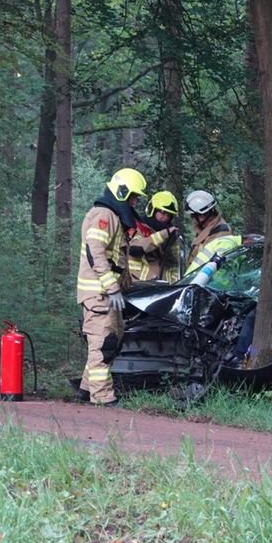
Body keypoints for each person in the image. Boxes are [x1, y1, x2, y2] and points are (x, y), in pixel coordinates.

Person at [77, 168, 147, 406]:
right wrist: (111, 287)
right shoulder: (103, 215)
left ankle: (87, 389)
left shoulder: (113, 216)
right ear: (122, 192)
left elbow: (115, 258)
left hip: (106, 293)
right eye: (133, 197)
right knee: (103, 344)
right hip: (99, 293)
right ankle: (103, 397)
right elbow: (94, 251)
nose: (135, 202)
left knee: (111, 341)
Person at [127, 190, 181, 284]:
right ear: (153, 210)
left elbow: (174, 265)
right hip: (138, 285)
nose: (165, 217)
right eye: (163, 212)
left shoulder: (172, 235)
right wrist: (163, 234)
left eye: (169, 215)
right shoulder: (138, 227)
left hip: (163, 288)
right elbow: (134, 249)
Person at [183, 190, 242, 275]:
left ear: (201, 216)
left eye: (193, 216)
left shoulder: (220, 234)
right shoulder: (206, 230)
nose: (192, 220)